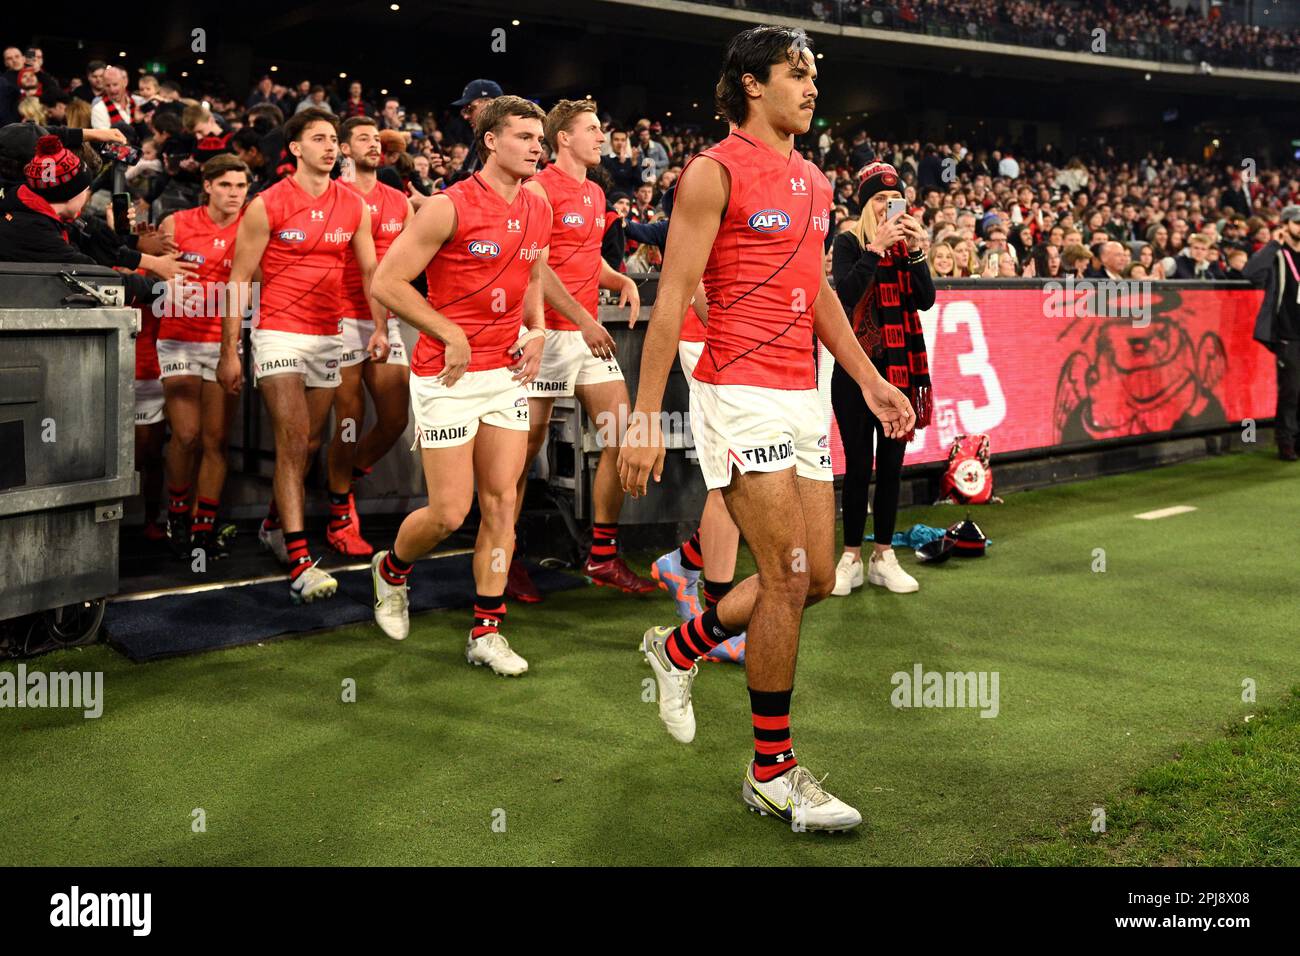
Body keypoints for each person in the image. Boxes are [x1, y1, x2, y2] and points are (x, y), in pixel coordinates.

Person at [618, 26, 914, 831]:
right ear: (751, 84)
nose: (813, 87)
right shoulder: (712, 171)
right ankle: (772, 774)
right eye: (796, 73)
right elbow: (673, 295)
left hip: (800, 393)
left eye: (814, 73)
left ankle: (677, 649)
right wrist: (645, 417)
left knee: (816, 577)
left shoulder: (815, 181)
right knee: (785, 576)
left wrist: (868, 379)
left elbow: (816, 291)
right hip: (736, 393)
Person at [367, 95, 550, 675]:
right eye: (524, 136)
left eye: (540, 138)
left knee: (503, 504)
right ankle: (392, 569)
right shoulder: (447, 206)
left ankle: (486, 631)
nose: (536, 147)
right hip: (445, 375)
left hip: (506, 374)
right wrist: (450, 331)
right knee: (449, 511)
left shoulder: (537, 206)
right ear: (491, 140)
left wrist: (539, 328)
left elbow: (532, 273)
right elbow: (387, 281)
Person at [219, 107, 379, 604]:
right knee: (292, 439)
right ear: (294, 149)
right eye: (318, 139)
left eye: (334, 139)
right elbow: (238, 280)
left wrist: (380, 326)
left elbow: (372, 271)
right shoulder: (267, 204)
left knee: (309, 444)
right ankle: (299, 559)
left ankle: (271, 524)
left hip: (329, 335)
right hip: (278, 334)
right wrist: (231, 350)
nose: (330, 147)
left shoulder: (354, 206)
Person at [506, 99, 654, 603]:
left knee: (621, 432)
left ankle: (604, 555)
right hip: (544, 333)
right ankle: (502, 557)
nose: (600, 137)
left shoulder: (594, 192)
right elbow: (537, 271)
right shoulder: (538, 189)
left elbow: (585, 261)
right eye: (591, 129)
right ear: (562, 138)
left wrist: (622, 282)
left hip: (585, 336)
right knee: (523, 451)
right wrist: (586, 318)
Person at [829, 162, 933, 597]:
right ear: (864, 203)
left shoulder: (906, 249)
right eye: (877, 200)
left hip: (901, 372)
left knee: (891, 467)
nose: (887, 208)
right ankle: (851, 555)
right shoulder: (849, 241)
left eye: (893, 201)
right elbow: (846, 294)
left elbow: (925, 300)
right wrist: (876, 248)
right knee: (857, 467)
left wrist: (916, 251)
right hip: (856, 374)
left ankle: (884, 555)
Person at [325, 115, 414, 557]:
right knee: (348, 419)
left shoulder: (400, 200)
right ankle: (341, 514)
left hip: (384, 318)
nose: (373, 145)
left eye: (377, 139)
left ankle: (342, 479)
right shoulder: (331, 196)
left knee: (396, 418)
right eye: (362, 139)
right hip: (337, 316)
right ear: (344, 149)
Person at [156, 154, 250, 559]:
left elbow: (256, 284)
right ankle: (177, 510)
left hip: (224, 343)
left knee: (216, 440)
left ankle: (203, 526)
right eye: (226, 185)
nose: (234, 193)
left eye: (241, 186)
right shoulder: (177, 223)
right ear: (208, 185)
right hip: (177, 337)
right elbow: (154, 270)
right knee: (187, 435)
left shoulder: (253, 227)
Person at [1244, 205, 1300, 461]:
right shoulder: (1278, 254)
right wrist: (1272, 246)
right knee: (1291, 390)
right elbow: (1252, 273)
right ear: (1285, 225)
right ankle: (1285, 442)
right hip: (1288, 333)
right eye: (1297, 223)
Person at [443, 79, 501, 186]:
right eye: (464, 110)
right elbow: (464, 180)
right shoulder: (478, 140)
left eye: (470, 108)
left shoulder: (506, 141)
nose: (465, 116)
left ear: (490, 105)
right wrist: (447, 173)